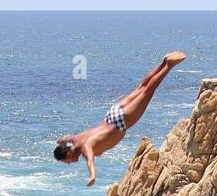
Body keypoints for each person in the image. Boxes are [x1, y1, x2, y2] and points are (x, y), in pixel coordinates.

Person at [54, 51, 187, 185]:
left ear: (68, 154)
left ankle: (169, 65)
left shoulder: (85, 147)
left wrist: (92, 176)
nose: (69, 163)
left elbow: (90, 161)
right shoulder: (76, 139)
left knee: (147, 92)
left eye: (66, 162)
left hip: (120, 122)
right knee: (141, 87)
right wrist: (62, 140)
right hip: (111, 114)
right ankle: (164, 62)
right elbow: (67, 139)